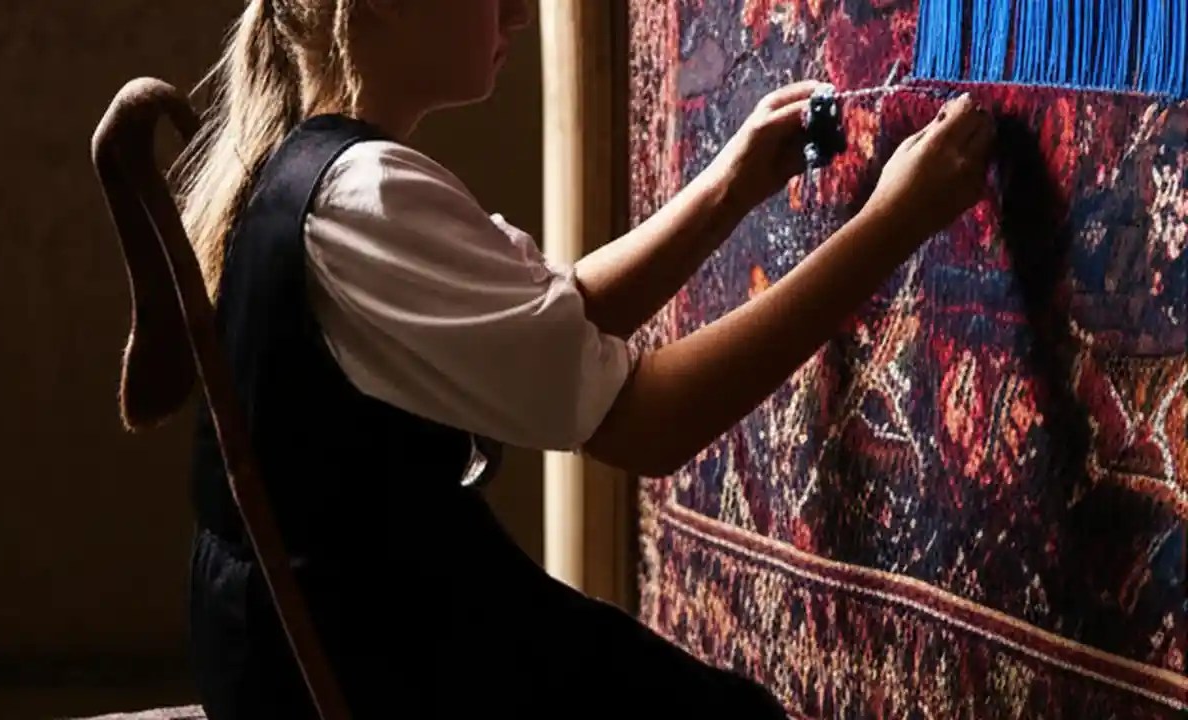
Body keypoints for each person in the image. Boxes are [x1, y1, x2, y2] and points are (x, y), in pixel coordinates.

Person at [173, 0, 995, 718]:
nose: (520, 14)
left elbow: (551, 318)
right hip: (359, 667)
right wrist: (893, 223)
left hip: (312, 636)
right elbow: (649, 425)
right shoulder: (367, 201)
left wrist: (729, 184)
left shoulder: (313, 173)